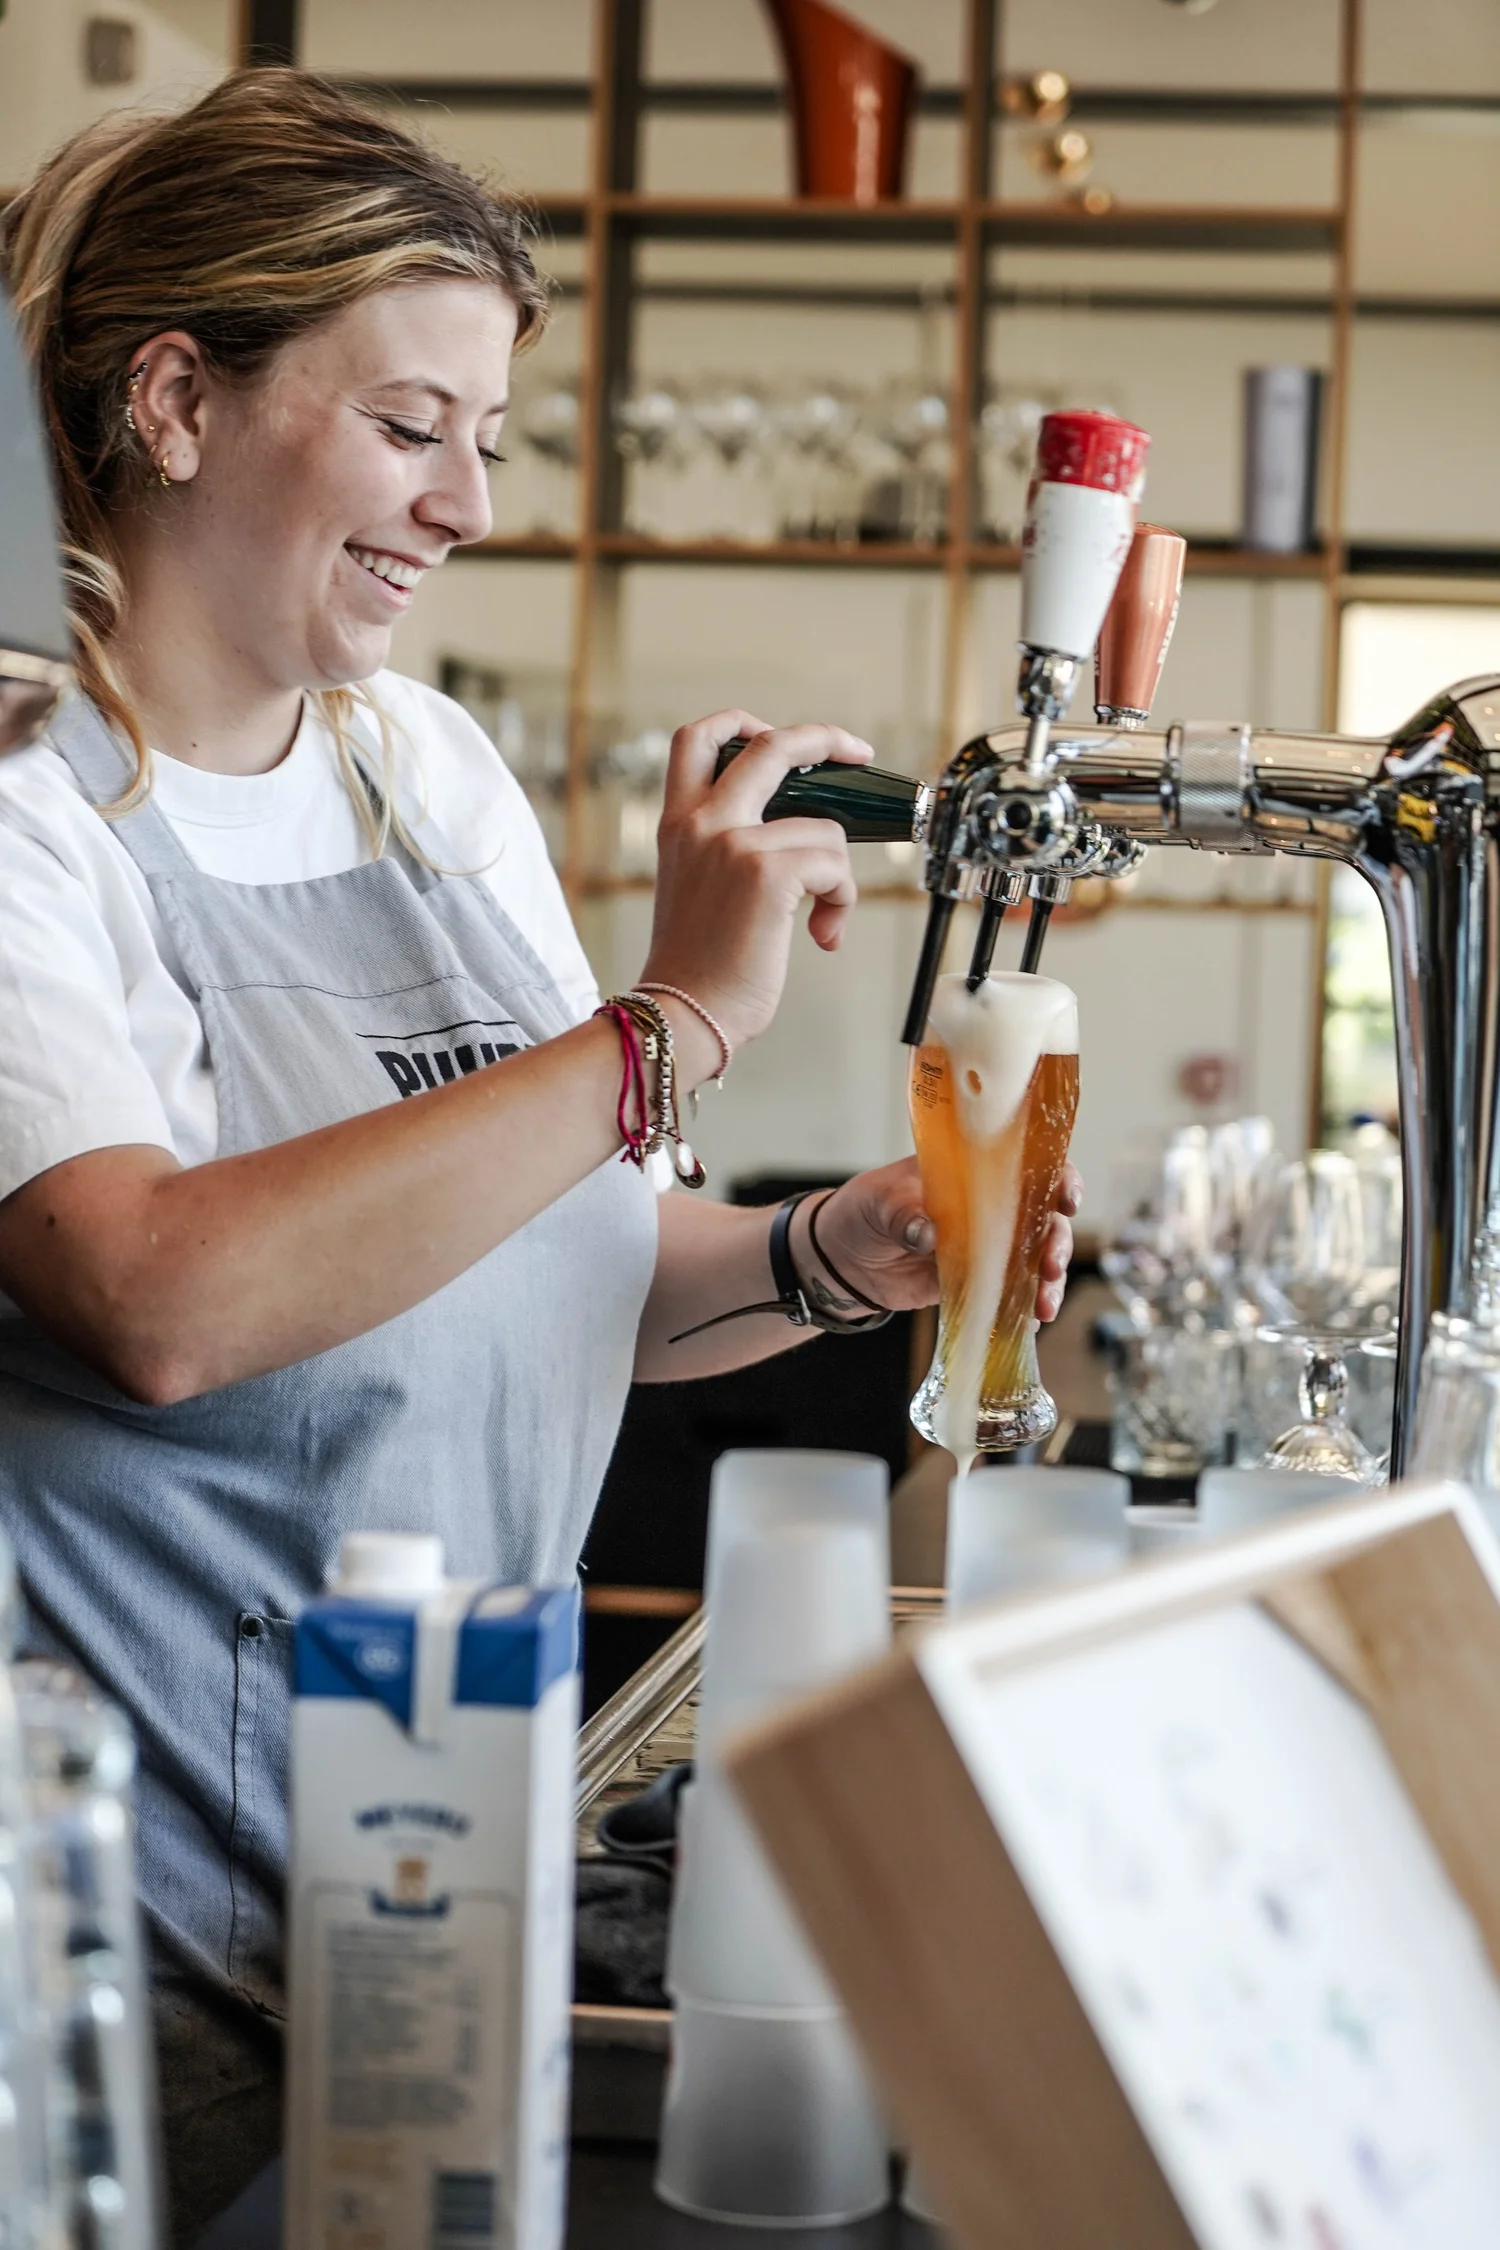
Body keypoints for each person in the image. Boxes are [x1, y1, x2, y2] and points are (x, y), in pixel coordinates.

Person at [0, 69, 1077, 2239]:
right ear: (178, 398)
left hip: (422, 1860)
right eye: (412, 427)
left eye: (492, 439)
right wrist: (664, 1023)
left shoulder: (425, 763)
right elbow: (158, 1299)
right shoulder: (27, 796)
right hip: (132, 1953)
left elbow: (546, 1259)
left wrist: (830, 1257)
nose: (470, 505)